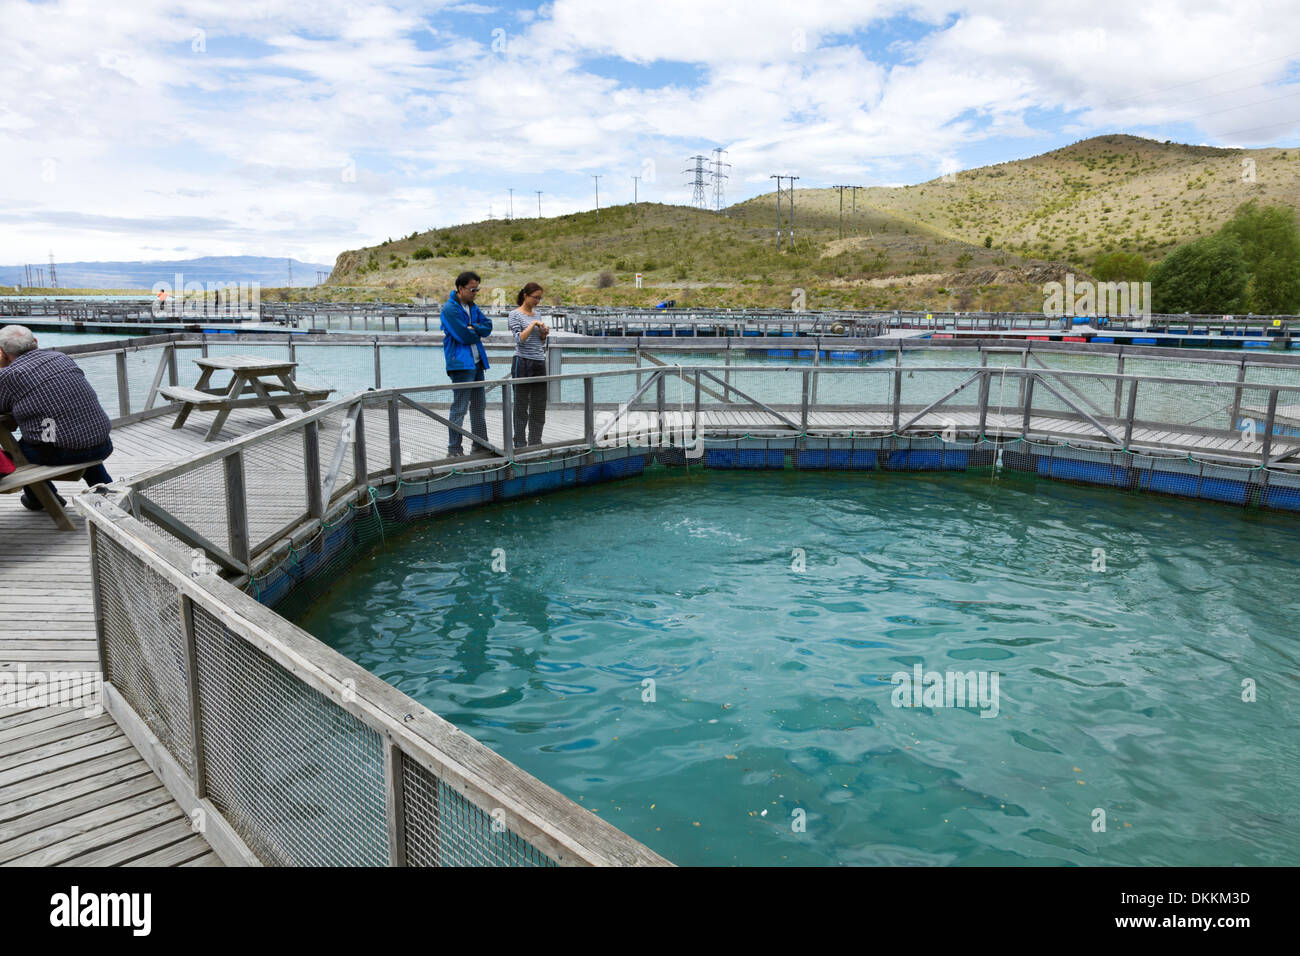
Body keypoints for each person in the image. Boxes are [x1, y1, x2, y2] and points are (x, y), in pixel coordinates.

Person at [0, 325, 114, 511]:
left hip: (63, 452)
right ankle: (108, 490)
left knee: (17, 455)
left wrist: (3, 368)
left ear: (2, 352)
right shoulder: (61, 358)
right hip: (103, 444)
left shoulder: (9, 375)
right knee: (75, 435)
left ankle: (44, 499)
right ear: (35, 342)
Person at [440, 271, 492, 456]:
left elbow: (488, 326)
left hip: (478, 363)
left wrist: (475, 328)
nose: (475, 293)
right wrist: (474, 331)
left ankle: (480, 444)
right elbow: (462, 335)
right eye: (472, 289)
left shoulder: (473, 307)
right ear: (460, 288)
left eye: (477, 289)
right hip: (461, 365)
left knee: (479, 406)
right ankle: (454, 449)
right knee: (460, 407)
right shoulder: (449, 309)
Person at [508, 283, 549, 447]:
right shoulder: (514, 314)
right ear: (525, 295)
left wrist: (543, 334)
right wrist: (533, 325)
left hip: (539, 361)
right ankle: (519, 441)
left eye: (540, 298)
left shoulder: (537, 314)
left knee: (539, 404)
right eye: (535, 297)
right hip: (522, 362)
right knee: (521, 404)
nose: (538, 301)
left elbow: (540, 341)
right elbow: (519, 339)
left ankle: (535, 440)